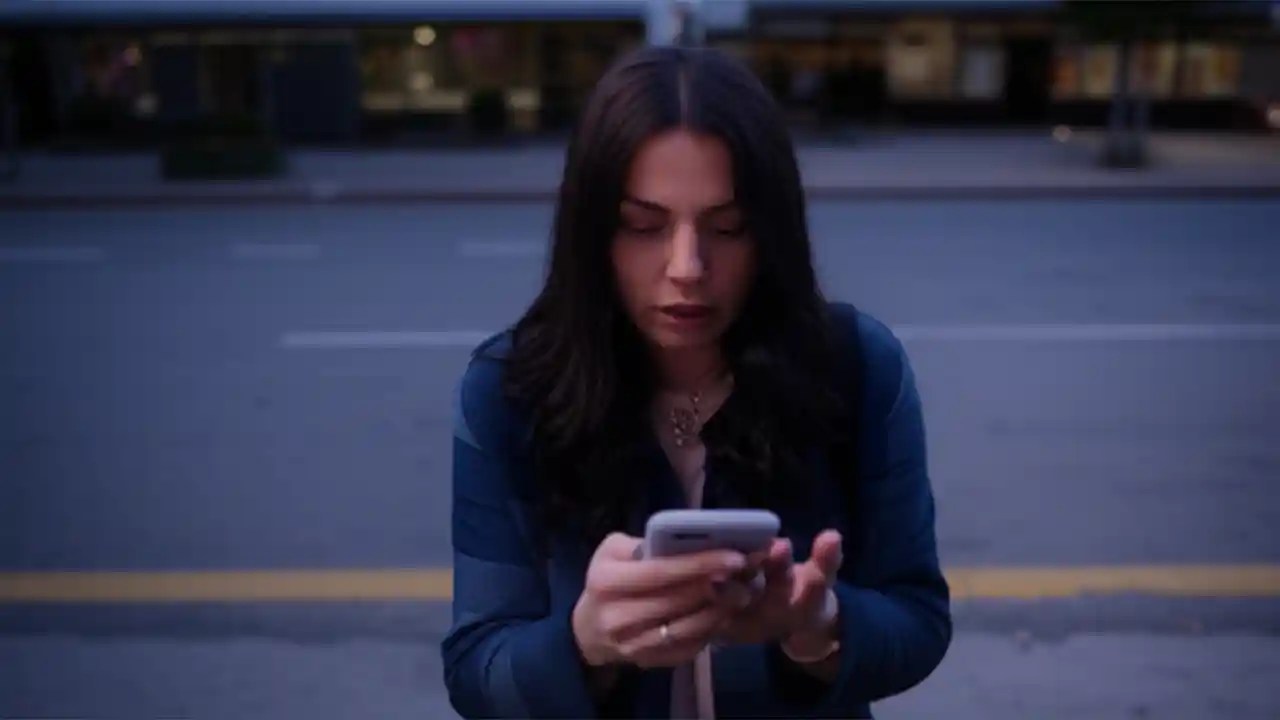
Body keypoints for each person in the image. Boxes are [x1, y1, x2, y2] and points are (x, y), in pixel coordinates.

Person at [442, 45, 950, 719]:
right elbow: (476, 669)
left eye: (729, 227)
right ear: (593, 232)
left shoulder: (855, 365)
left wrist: (818, 624)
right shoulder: (509, 389)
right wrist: (584, 642)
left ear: (771, 234)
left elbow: (918, 621)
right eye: (644, 226)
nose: (687, 265)